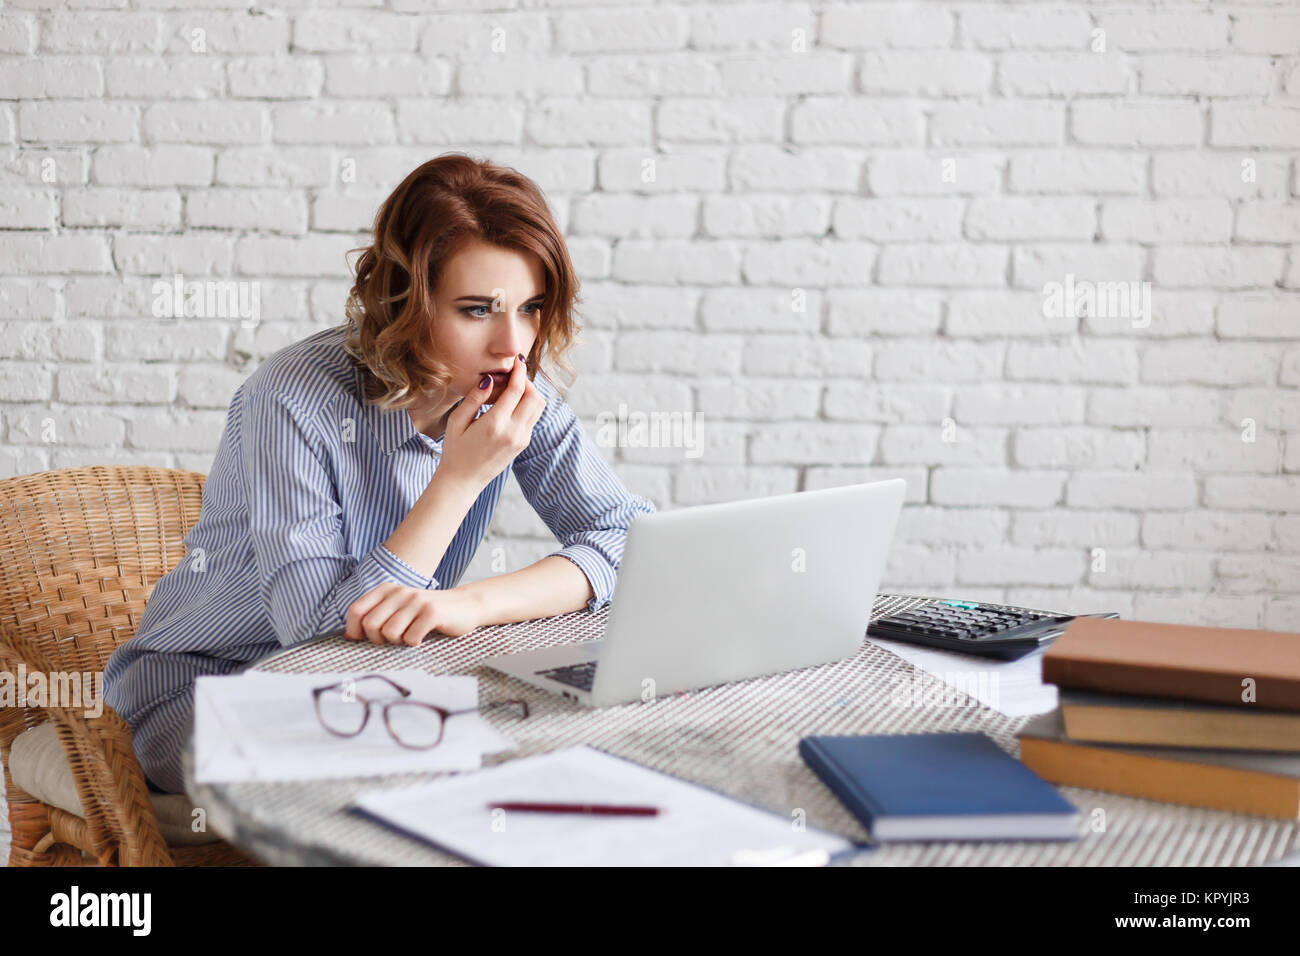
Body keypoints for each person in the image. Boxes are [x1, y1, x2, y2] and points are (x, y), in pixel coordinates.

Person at [103, 153, 657, 794]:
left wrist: (466, 604)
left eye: (531, 308)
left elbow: (629, 540)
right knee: (443, 773)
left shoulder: (510, 388)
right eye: (477, 309)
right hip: (207, 690)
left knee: (554, 744)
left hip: (376, 683)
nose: (513, 344)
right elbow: (314, 639)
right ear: (408, 302)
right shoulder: (290, 400)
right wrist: (458, 480)